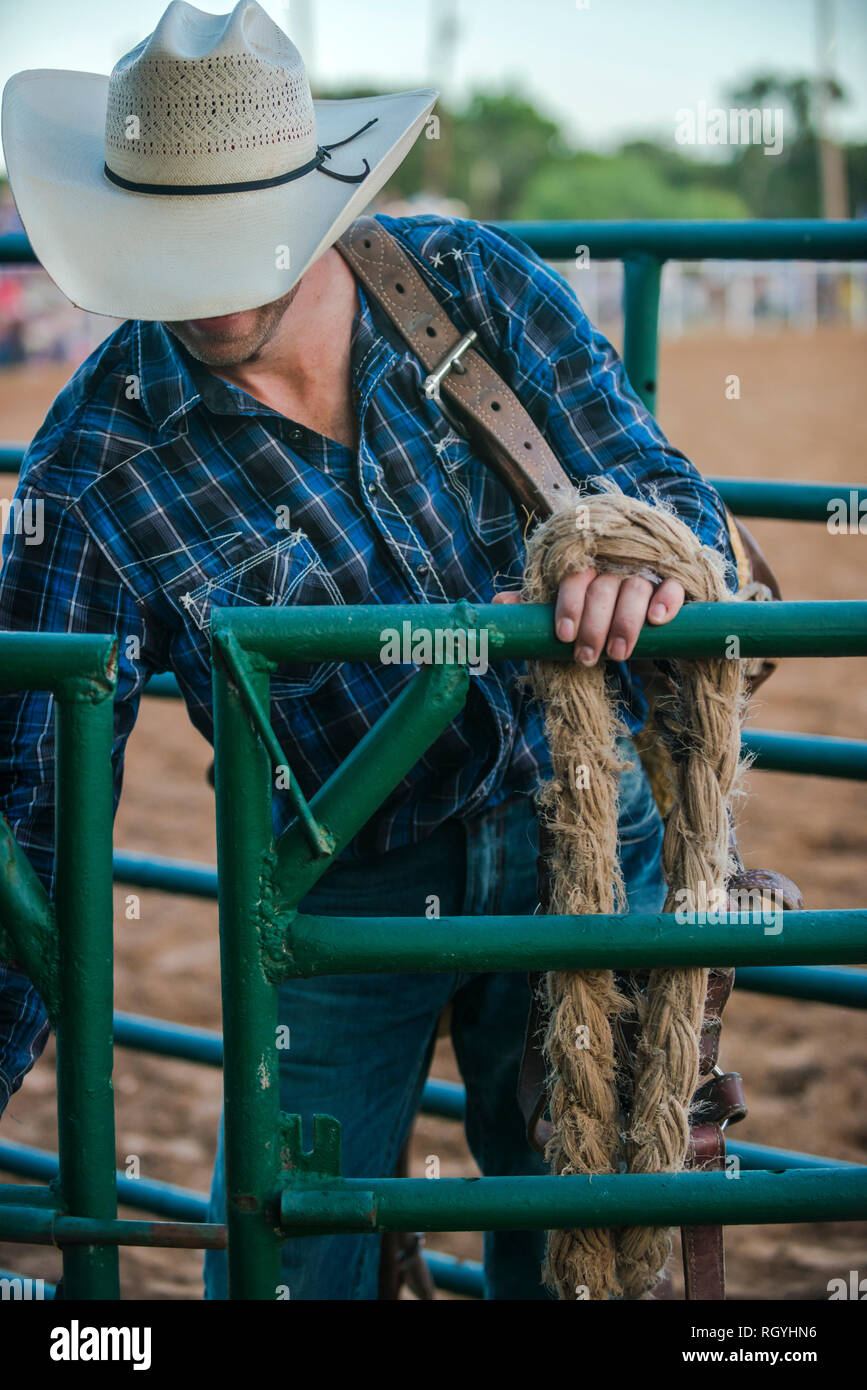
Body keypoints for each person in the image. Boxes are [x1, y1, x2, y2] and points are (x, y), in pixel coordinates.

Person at [0, 0, 737, 1298]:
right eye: (175, 237)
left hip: (570, 818)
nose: (217, 280)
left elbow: (662, 487)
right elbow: (38, 807)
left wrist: (635, 544)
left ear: (316, 197)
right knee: (288, 1250)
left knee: (582, 1236)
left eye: (241, 230)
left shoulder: (477, 285)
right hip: (332, 887)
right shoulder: (94, 467)